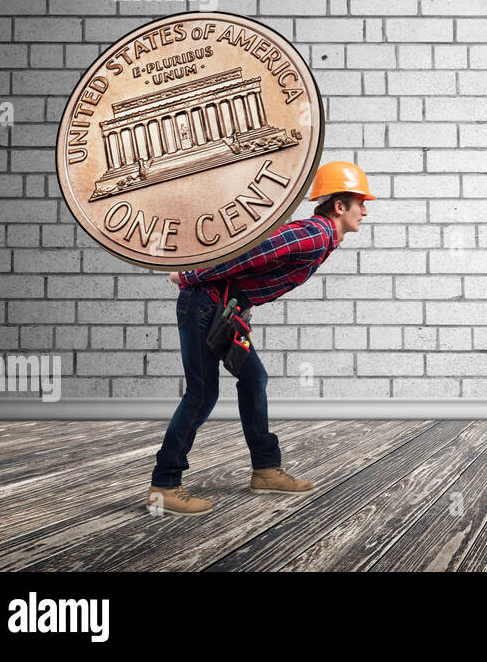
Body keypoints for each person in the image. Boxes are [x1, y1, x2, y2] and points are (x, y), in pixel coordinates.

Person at [146, 160, 375, 516]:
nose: (365, 210)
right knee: (202, 392)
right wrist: (191, 274)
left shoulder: (324, 238)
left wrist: (240, 309)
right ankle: (164, 485)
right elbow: (253, 252)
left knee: (254, 378)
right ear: (340, 206)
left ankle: (266, 470)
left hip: (223, 309)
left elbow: (257, 265)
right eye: (360, 202)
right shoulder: (315, 234)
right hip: (204, 302)